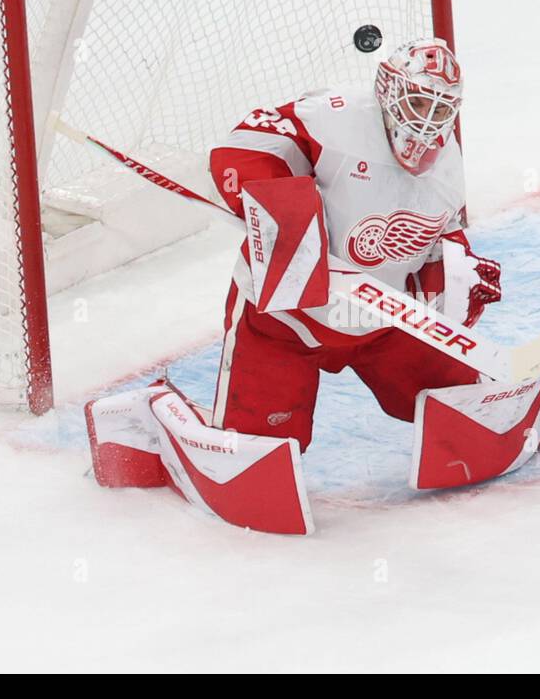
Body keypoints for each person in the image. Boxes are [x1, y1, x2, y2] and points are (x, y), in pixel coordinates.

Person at [207, 38, 502, 450]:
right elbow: (245, 145)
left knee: (464, 408)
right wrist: (280, 213)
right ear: (388, 88)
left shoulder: (448, 161)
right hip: (286, 319)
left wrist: (454, 273)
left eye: (441, 108)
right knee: (261, 444)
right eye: (419, 103)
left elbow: (442, 231)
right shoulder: (336, 115)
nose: (428, 121)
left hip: (382, 320)